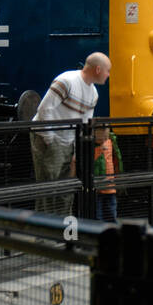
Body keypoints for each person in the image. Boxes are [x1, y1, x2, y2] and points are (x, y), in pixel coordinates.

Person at [31, 52, 111, 215]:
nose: (108, 75)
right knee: (49, 187)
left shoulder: (93, 93)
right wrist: (50, 139)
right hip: (49, 139)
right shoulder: (66, 81)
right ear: (97, 69)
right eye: (107, 70)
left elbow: (84, 124)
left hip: (66, 141)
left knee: (65, 190)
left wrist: (76, 150)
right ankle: (45, 232)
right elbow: (44, 109)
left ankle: (62, 230)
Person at [92, 126, 121, 222]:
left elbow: (116, 160)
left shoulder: (110, 141)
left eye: (105, 138)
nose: (103, 140)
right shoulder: (92, 146)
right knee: (98, 213)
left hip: (109, 184)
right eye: (101, 139)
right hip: (97, 186)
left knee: (111, 211)